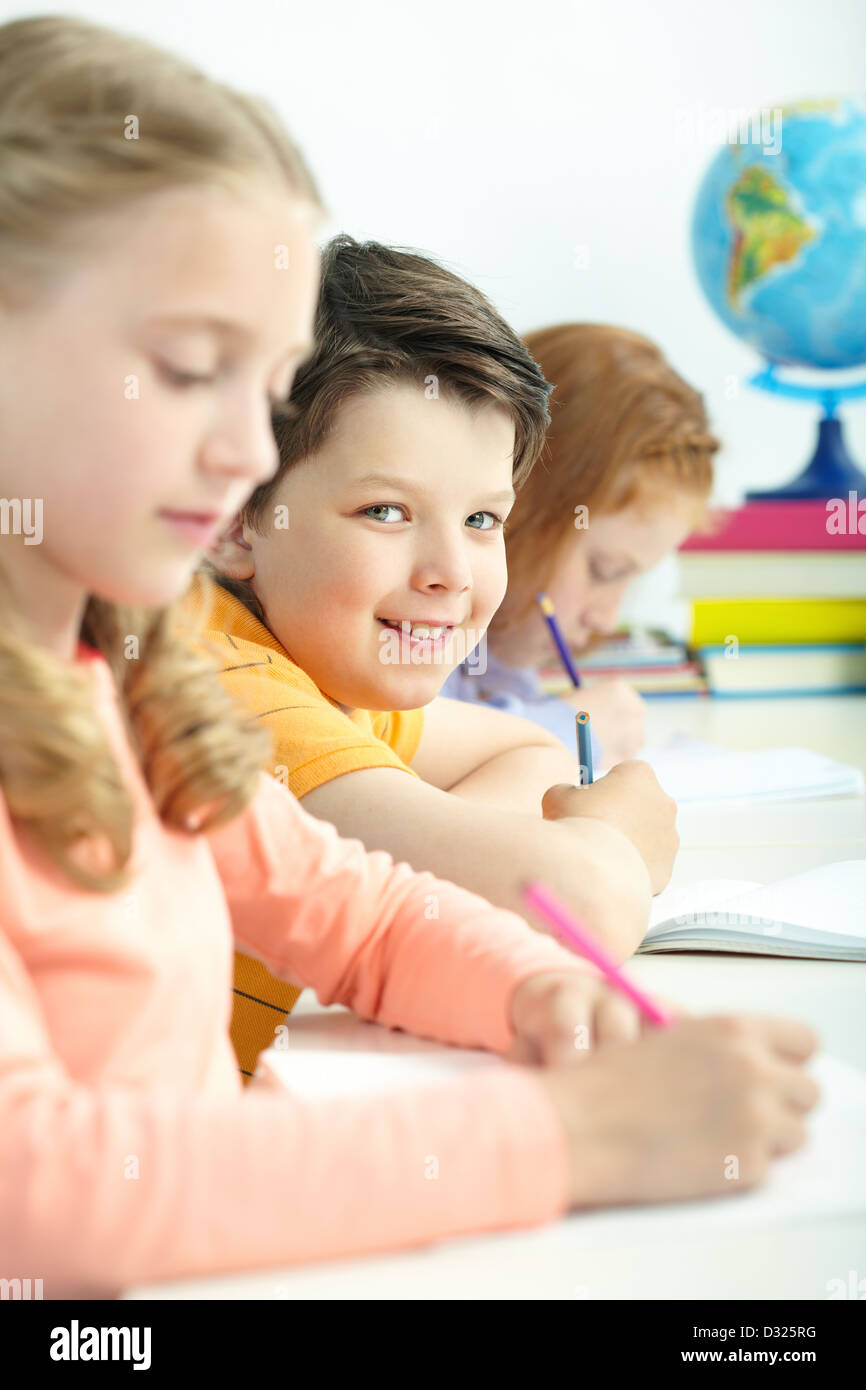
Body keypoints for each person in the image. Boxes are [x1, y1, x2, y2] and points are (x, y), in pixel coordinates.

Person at [0, 15, 818, 1297]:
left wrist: (551, 999)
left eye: (264, 390)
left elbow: (362, 916)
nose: (244, 455)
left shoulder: (124, 692)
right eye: (186, 369)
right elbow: (44, 1193)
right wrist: (573, 1136)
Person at [442, 324, 719, 765]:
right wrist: (563, 731)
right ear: (516, 506)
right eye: (605, 571)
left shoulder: (487, 652)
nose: (606, 619)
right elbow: (415, 753)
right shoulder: (413, 626)